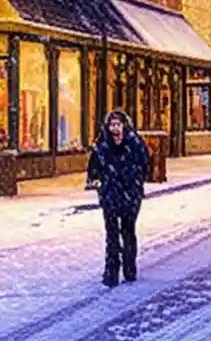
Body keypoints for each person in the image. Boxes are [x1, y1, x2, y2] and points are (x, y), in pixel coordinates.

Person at [85, 110, 150, 288]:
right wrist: (97, 181)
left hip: (130, 195)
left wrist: (135, 182)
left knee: (128, 231)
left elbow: (144, 164)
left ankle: (130, 269)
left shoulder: (135, 144)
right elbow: (93, 168)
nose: (115, 129)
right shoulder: (102, 146)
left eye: (118, 124)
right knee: (112, 235)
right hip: (110, 196)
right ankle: (111, 273)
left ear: (124, 126)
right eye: (112, 125)